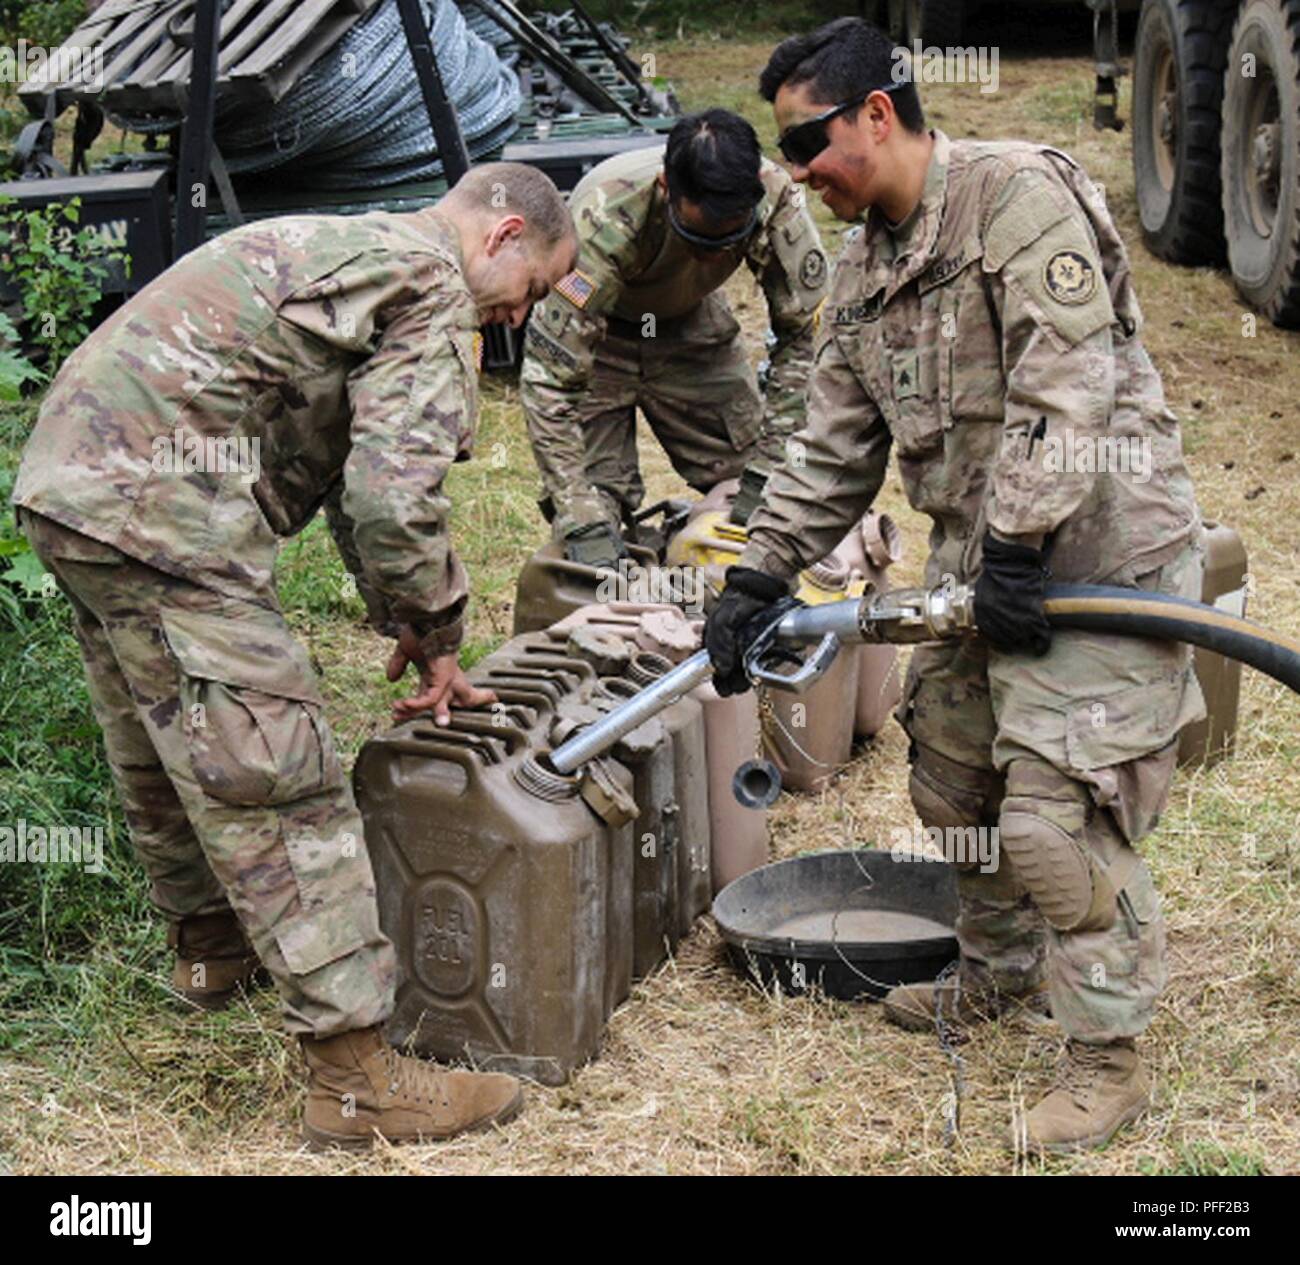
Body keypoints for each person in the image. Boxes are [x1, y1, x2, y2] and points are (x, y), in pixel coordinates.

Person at [705, 19, 1206, 1155]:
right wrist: (757, 570)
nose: (793, 174)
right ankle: (996, 970)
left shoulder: (1016, 198)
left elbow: (1066, 385)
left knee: (1047, 820)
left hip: (1098, 556)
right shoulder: (862, 270)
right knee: (955, 785)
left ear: (876, 114)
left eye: (805, 143)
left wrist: (1021, 548)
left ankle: (1105, 1058)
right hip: (988, 563)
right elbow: (834, 445)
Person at [14, 162, 577, 1151]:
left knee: (162, 728)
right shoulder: (434, 282)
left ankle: (211, 953)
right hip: (163, 500)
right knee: (275, 763)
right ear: (501, 238)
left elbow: (360, 476)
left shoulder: (346, 241)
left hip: (72, 476)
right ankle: (356, 1077)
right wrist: (440, 630)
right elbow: (394, 496)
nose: (510, 322)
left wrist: (398, 617)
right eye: (527, 292)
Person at [520, 108, 828, 567]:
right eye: (699, 239)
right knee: (594, 519)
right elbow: (549, 380)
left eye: (730, 240)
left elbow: (806, 335)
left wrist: (769, 470)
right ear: (667, 188)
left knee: (762, 495)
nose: (715, 256)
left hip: (692, 328)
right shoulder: (602, 222)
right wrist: (576, 511)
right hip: (600, 340)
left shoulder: (775, 198)